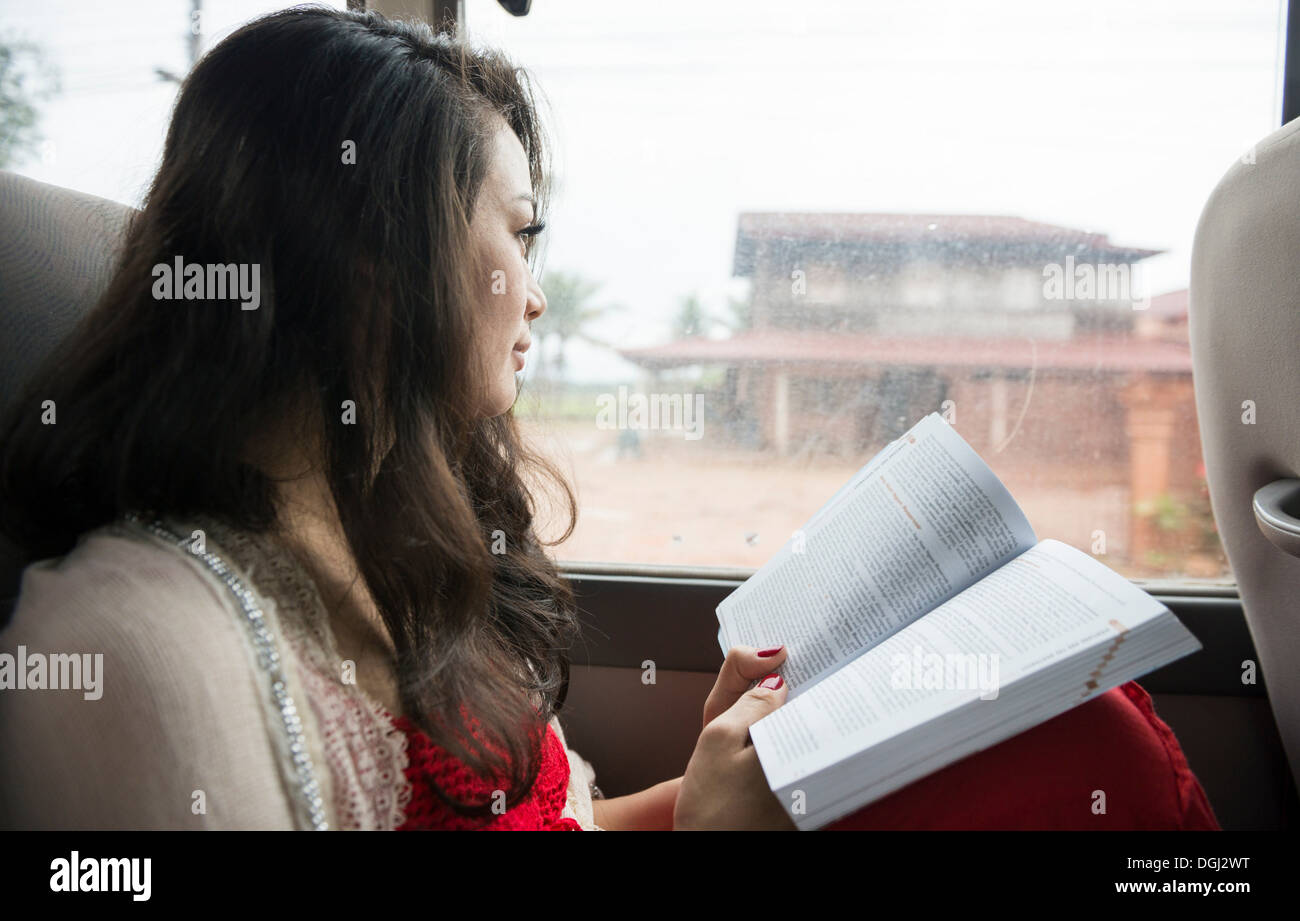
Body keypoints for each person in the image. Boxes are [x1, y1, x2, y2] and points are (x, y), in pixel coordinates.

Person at [0, 6, 1217, 831]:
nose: (537, 295)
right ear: (377, 258)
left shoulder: (393, 549)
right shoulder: (135, 651)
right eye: (519, 235)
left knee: (1086, 732)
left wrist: (703, 786)